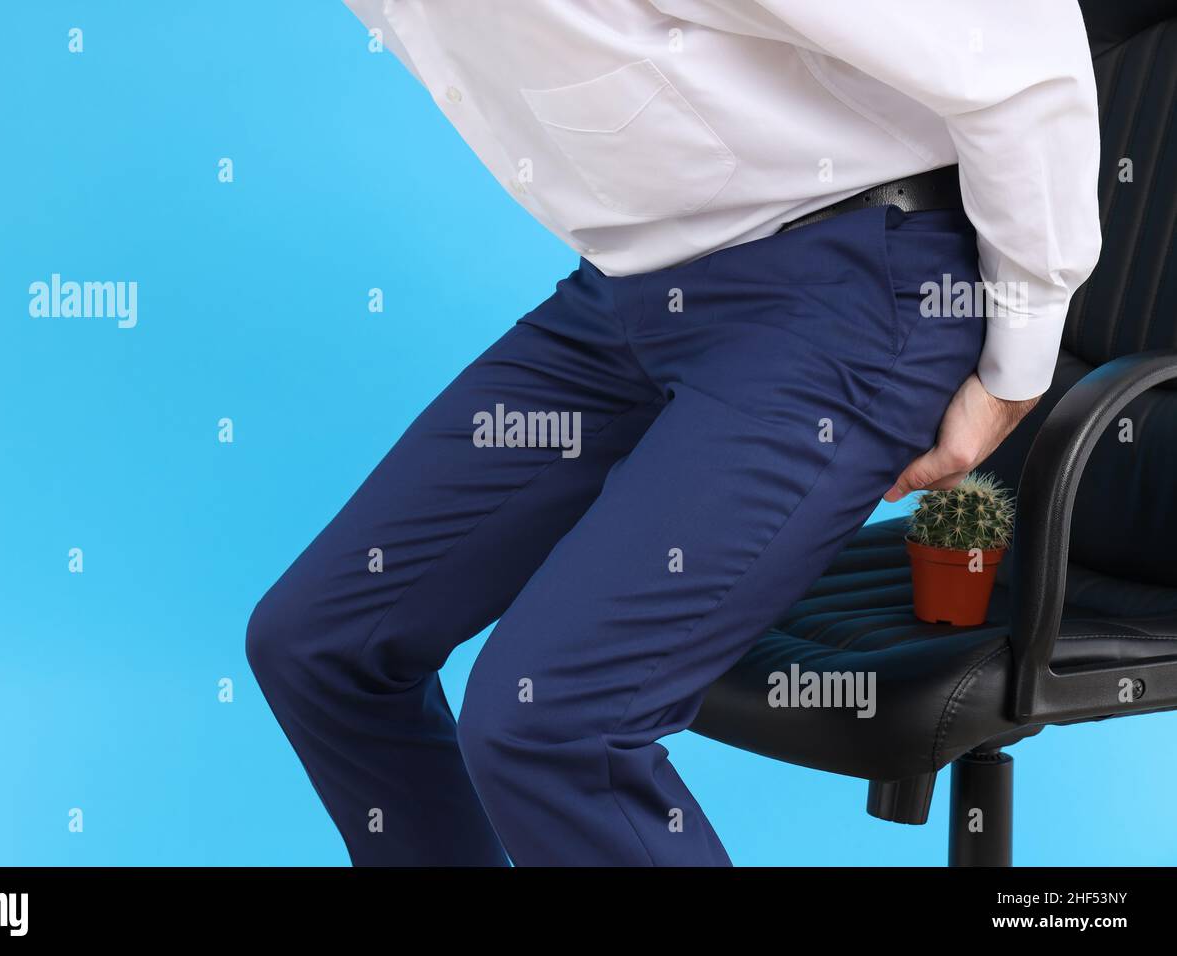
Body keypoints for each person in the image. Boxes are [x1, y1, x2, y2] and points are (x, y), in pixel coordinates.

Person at [246, 0, 1102, 866]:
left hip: (847, 282)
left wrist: (1018, 366)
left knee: (553, 726)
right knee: (319, 646)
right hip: (628, 299)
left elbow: (1016, 55)